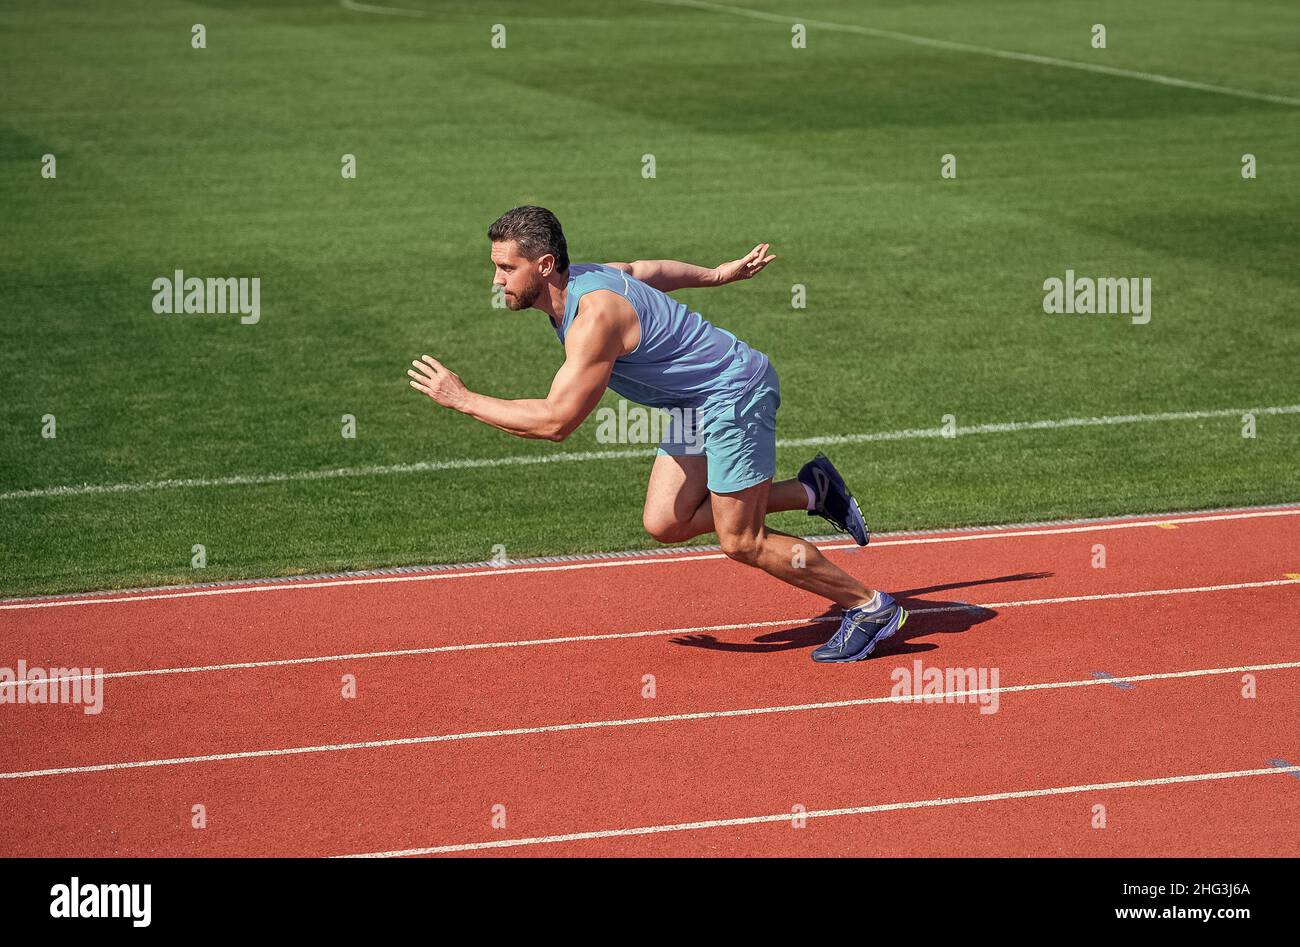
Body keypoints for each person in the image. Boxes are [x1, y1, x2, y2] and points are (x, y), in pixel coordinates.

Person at [407, 205, 906, 662]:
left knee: (741, 540)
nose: (496, 280)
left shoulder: (593, 318)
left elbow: (558, 422)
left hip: (733, 396)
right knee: (667, 522)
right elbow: (647, 270)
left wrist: (464, 399)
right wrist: (717, 274)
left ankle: (869, 606)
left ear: (543, 265)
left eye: (506, 267)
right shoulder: (589, 275)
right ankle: (812, 489)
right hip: (692, 404)